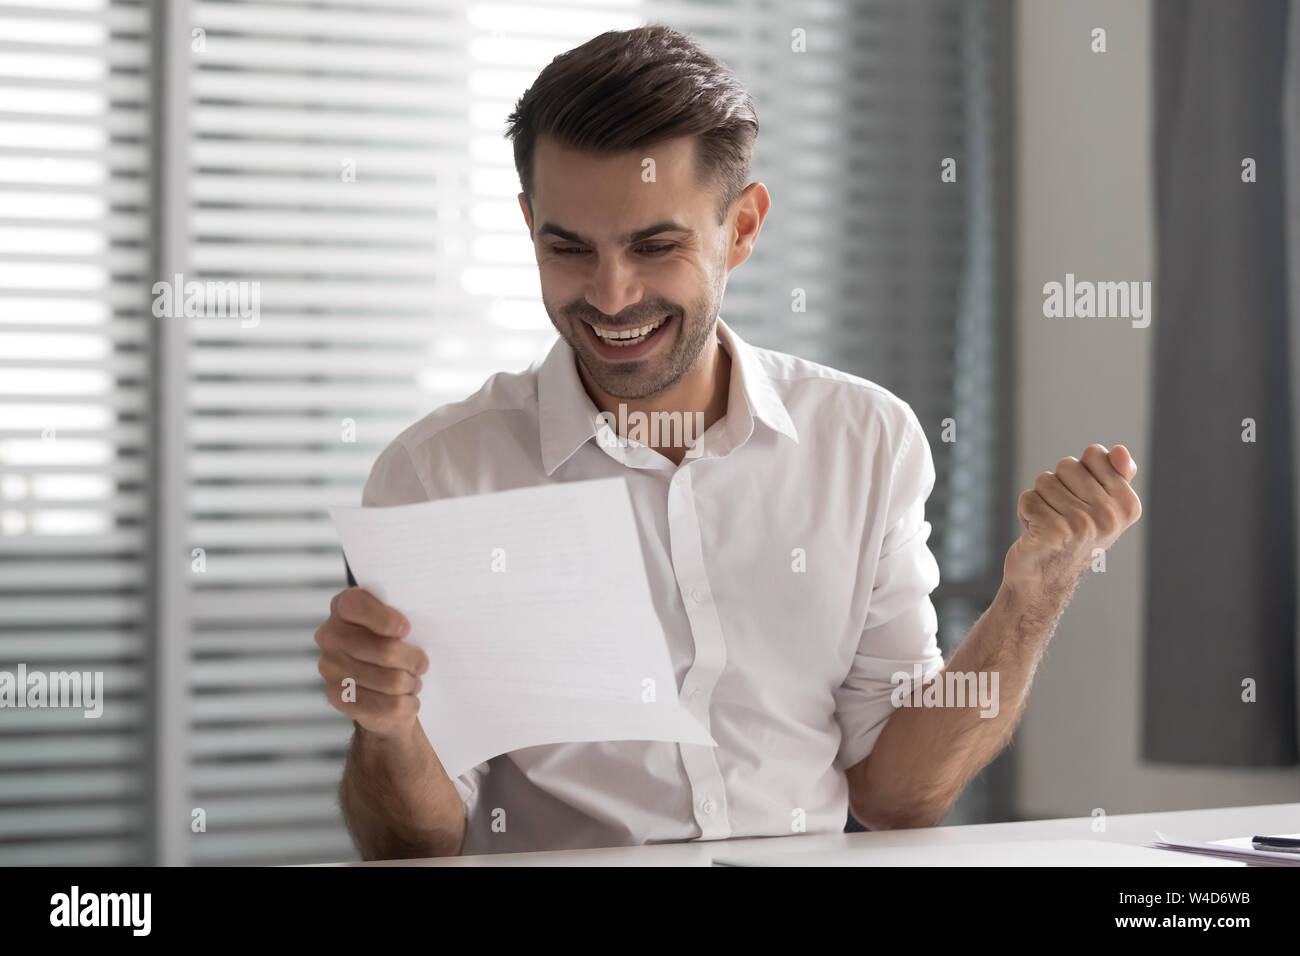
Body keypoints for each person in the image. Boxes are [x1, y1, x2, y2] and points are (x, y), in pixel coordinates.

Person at [314, 24, 1142, 860]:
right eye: (568, 248)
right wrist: (387, 728)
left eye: (655, 245)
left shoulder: (866, 441)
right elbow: (410, 845)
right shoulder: (440, 475)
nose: (610, 295)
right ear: (529, 225)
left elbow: (897, 796)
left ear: (741, 227)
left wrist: (1036, 590)